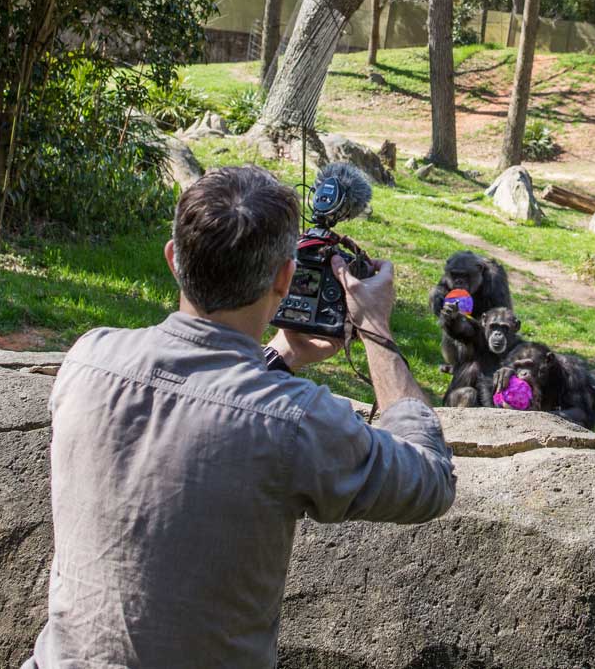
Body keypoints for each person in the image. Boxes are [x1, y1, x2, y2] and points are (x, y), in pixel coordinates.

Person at [23, 165, 456, 668]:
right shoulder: (296, 422)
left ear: (173, 260)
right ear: (283, 277)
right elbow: (430, 478)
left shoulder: (86, 360)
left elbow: (198, 410)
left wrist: (279, 356)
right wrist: (376, 331)